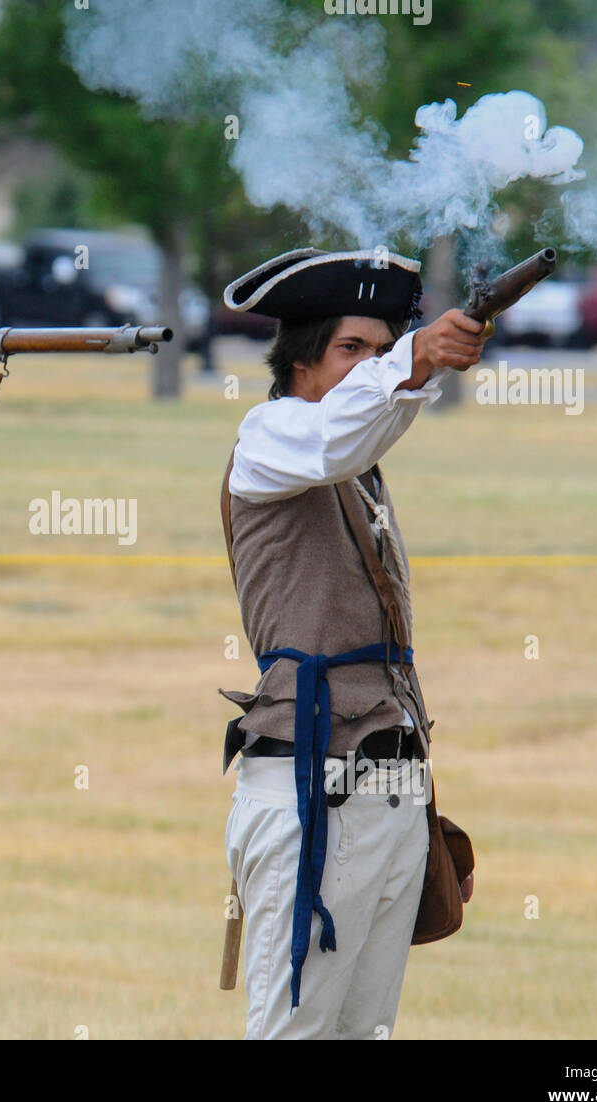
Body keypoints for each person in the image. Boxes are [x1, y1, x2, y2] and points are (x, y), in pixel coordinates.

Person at [219, 247, 478, 1040]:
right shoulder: (270, 436)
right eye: (350, 349)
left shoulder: (358, 458)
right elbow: (339, 434)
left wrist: (417, 363)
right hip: (312, 788)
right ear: (300, 362)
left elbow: (365, 425)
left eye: (381, 344)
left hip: (389, 788)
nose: (372, 364)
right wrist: (413, 355)